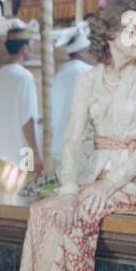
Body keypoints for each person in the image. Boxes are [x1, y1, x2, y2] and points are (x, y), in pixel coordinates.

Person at [7, 0, 136, 271]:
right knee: (45, 210)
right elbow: (73, 137)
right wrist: (66, 188)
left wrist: (110, 183)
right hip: (96, 175)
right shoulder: (89, 79)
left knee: (84, 210)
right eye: (135, 29)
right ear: (110, 35)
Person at [0, 25, 43, 195]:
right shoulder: (24, 77)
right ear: (24, 48)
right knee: (21, 206)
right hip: (21, 154)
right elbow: (27, 120)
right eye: (30, 45)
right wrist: (35, 155)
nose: (31, 49)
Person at [48, 23, 93, 175]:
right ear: (82, 53)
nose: (93, 56)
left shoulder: (59, 75)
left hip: (59, 146)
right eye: (90, 52)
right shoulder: (89, 73)